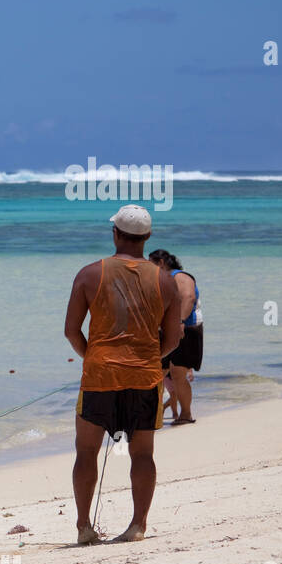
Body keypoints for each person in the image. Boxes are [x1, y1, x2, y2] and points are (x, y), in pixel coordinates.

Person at [63, 206, 182, 544]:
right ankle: (138, 525)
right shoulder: (165, 280)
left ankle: (85, 527)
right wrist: (145, 359)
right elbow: (173, 339)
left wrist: (95, 358)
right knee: (142, 454)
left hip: (100, 376)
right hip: (145, 378)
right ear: (147, 238)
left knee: (86, 452)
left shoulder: (89, 274)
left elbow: (72, 331)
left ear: (115, 234)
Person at [148, 248, 202, 424]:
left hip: (186, 329)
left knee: (178, 373)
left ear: (161, 263)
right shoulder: (162, 280)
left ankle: (185, 414)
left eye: (151, 264)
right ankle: (152, 414)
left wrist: (179, 322)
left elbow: (189, 297)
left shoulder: (180, 276)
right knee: (155, 372)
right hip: (166, 330)